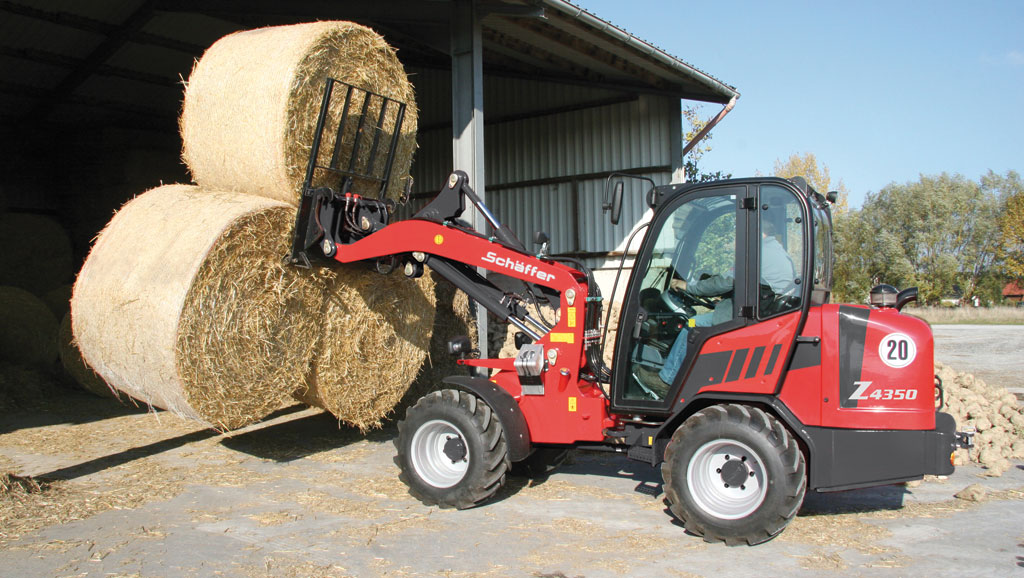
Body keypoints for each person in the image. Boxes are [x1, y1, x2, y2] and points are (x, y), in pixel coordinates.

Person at [643, 219, 796, 391]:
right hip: (757, 310)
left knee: (691, 324)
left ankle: (667, 380)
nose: (738, 241)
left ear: (759, 233)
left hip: (745, 317)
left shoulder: (758, 252)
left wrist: (688, 286)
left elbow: (723, 282)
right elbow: (754, 285)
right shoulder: (776, 251)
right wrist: (727, 299)